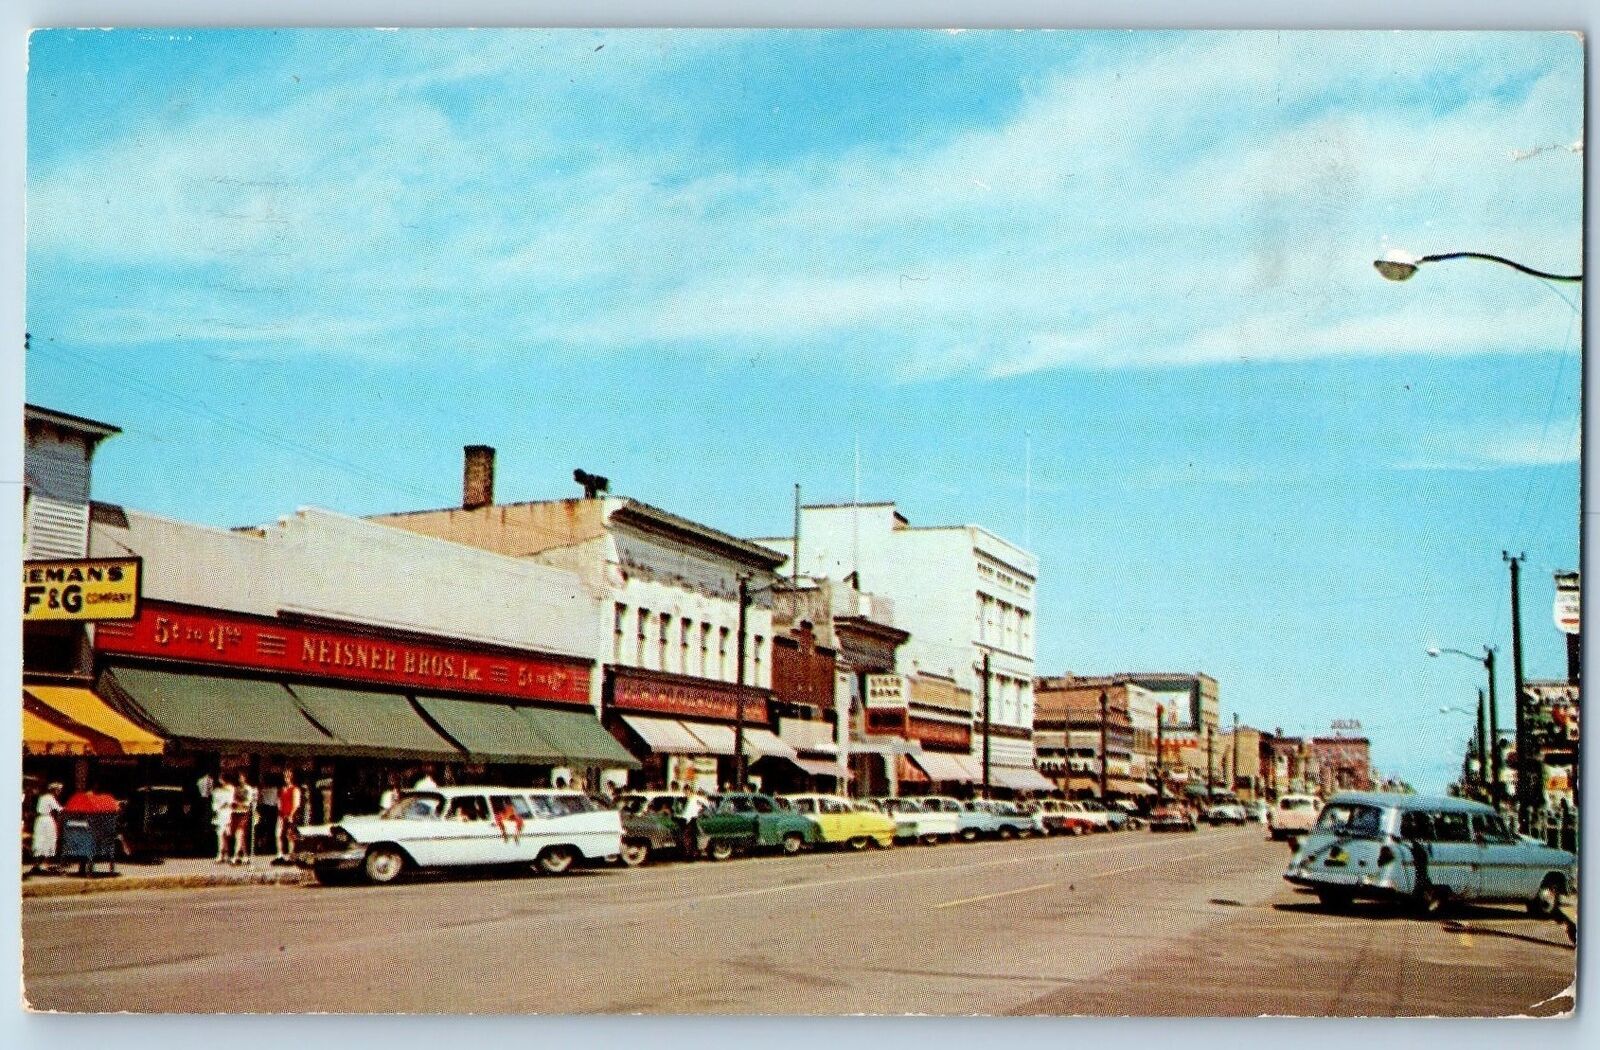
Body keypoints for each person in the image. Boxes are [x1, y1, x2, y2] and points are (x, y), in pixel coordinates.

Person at [28, 783, 64, 875]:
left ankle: (37, 864)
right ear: (54, 790)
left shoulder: (42, 797)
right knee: (49, 840)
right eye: (58, 790)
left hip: (40, 820)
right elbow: (59, 809)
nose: (59, 792)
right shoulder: (50, 798)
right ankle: (44, 865)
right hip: (47, 821)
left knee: (40, 841)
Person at [273, 770, 301, 866]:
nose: (286, 779)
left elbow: (296, 804)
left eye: (288, 777)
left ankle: (291, 856)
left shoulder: (295, 789)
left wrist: (291, 815)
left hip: (290, 815)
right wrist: (280, 813)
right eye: (285, 777)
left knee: (289, 836)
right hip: (281, 814)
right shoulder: (282, 789)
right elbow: (279, 802)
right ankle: (279, 854)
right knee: (278, 834)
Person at [229, 772, 257, 865]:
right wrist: (236, 803)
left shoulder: (249, 789)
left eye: (243, 777)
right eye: (240, 778)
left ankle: (235, 856)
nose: (241, 779)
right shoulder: (236, 789)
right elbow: (232, 800)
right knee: (240, 835)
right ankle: (245, 856)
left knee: (240, 834)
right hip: (236, 813)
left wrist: (239, 803)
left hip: (244, 813)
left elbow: (248, 802)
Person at [211, 773, 236, 863]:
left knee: (226, 834)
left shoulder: (231, 789)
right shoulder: (217, 791)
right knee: (221, 834)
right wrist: (218, 807)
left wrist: (223, 805)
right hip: (220, 813)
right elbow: (214, 804)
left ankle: (225, 854)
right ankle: (221, 854)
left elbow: (231, 801)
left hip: (227, 813)